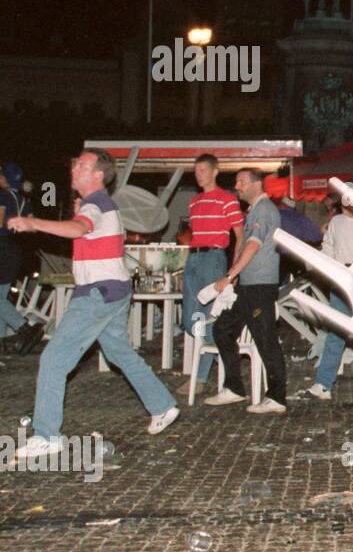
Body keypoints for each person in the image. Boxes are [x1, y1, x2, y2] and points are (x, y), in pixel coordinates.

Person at [9, 150, 179, 457]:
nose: (74, 169)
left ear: (98, 174)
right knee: (119, 352)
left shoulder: (96, 203)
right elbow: (84, 227)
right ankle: (163, 405)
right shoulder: (98, 204)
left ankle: (47, 435)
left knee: (53, 359)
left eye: (82, 166)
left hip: (97, 293)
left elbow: (79, 229)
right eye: (74, 164)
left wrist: (33, 223)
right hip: (114, 290)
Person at [204, 169, 289, 414]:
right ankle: (234, 388)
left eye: (242, 181)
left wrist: (230, 275)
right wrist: (235, 275)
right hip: (247, 286)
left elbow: (253, 245)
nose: (237, 186)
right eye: (237, 182)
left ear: (257, 184)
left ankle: (277, 397)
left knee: (265, 340)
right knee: (222, 329)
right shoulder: (254, 211)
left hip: (260, 286)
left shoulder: (264, 210)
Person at [307, 184, 353, 401]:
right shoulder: (336, 221)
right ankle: (323, 383)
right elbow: (328, 246)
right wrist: (326, 264)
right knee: (336, 332)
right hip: (340, 280)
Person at [182, 154, 244, 387]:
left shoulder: (227, 199)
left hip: (214, 258)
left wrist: (233, 271)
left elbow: (240, 235)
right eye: (196, 170)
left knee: (207, 317)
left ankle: (199, 377)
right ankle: (224, 354)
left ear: (214, 172)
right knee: (190, 320)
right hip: (194, 257)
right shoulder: (194, 201)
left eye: (203, 170)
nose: (199, 175)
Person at [0, 162, 42, 351]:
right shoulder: (24, 199)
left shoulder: (2, 196)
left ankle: (25, 328)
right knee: (1, 296)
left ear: (5, 178)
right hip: (15, 249)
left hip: (2, 246)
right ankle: (1, 343)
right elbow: (32, 225)